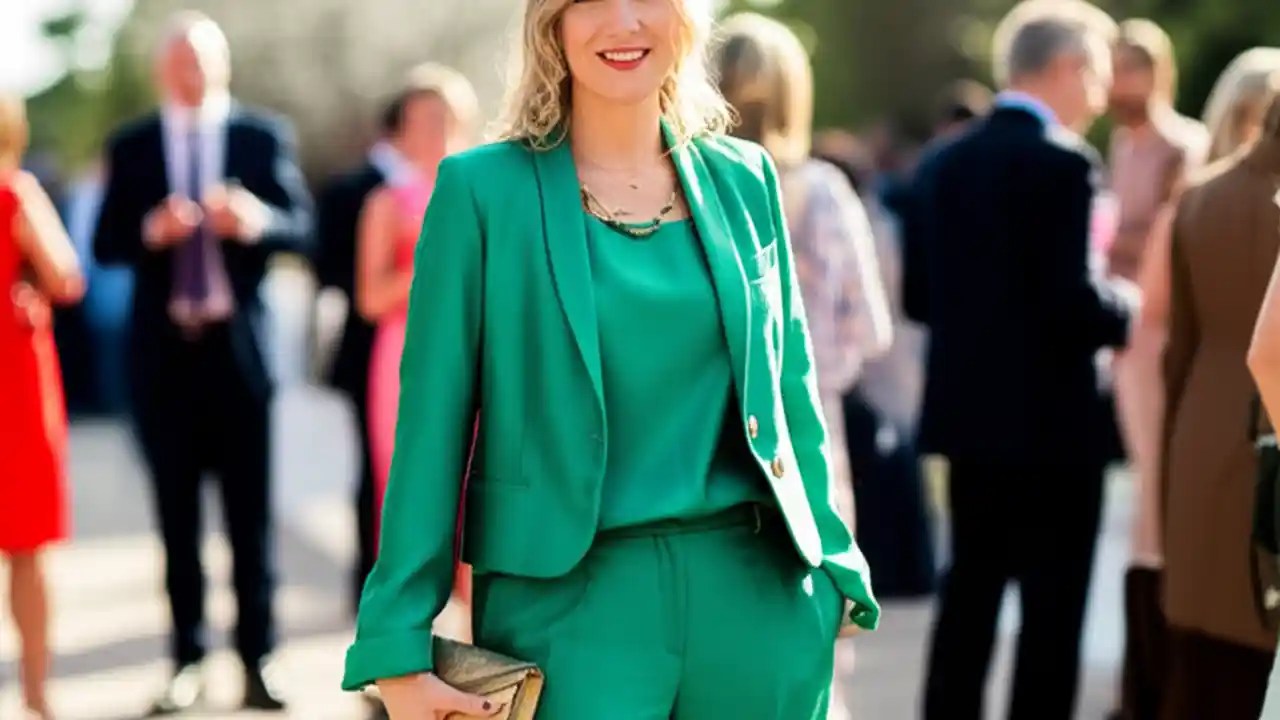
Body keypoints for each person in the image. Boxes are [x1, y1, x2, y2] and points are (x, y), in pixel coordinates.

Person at [342, 0, 879, 717]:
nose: (624, 21)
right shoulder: (481, 192)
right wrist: (397, 643)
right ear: (553, 23)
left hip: (760, 607)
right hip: (568, 618)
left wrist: (835, 563)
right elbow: (431, 429)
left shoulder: (745, 178)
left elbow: (790, 391)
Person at [913, 2, 1140, 718]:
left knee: (968, 601)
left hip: (970, 426)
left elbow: (919, 296)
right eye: (1097, 75)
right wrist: (1128, 308)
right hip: (1056, 432)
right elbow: (1073, 304)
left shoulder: (943, 162)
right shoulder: (1065, 164)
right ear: (1067, 68)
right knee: (1052, 616)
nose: (1100, 97)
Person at [92, 12, 312, 714]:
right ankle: (186, 660)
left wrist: (256, 220)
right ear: (163, 70)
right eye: (181, 63)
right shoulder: (132, 145)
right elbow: (104, 243)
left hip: (239, 357)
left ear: (223, 66)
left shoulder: (260, 136)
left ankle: (258, 659)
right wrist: (148, 230)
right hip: (164, 359)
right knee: (176, 520)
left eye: (203, 62)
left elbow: (303, 227)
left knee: (251, 519)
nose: (192, 75)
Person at [714, 14, 892, 720]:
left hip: (707, 427)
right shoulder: (820, 190)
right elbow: (869, 327)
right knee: (816, 624)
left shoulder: (683, 189)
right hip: (807, 431)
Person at [1157, 79, 1280, 720]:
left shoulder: (1201, 196)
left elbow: (1177, 349)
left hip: (1202, 421)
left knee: (1201, 657)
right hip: (1266, 426)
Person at [1102, 19, 1210, 720]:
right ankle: (1142, 676)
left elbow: (1167, 242)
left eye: (1129, 69)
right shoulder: (1121, 145)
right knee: (1143, 503)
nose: (1118, 84)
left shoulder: (1184, 145)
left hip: (1162, 335)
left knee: (1159, 503)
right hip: (1126, 337)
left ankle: (1159, 676)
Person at [0, 95, 85, 720]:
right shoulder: (15, 193)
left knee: (27, 542)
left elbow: (64, 277)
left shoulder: (15, 193)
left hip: (17, 380)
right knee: (26, 548)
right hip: (16, 376)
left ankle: (35, 692)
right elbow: (65, 276)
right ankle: (35, 693)